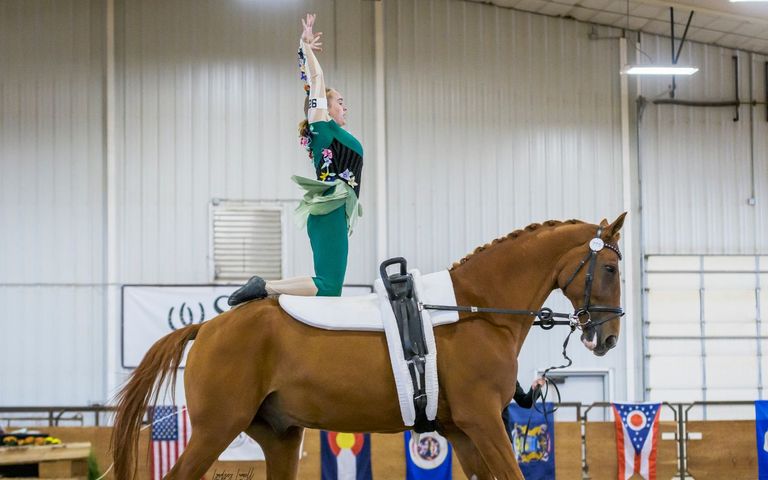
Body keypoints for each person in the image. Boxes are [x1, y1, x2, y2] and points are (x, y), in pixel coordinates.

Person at [228, 13, 363, 305]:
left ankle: (266, 287)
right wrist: (304, 48)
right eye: (340, 101)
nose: (345, 106)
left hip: (333, 210)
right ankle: (266, 287)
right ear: (324, 107)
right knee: (329, 286)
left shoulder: (326, 133)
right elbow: (316, 80)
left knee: (328, 286)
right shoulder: (322, 127)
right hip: (331, 206)